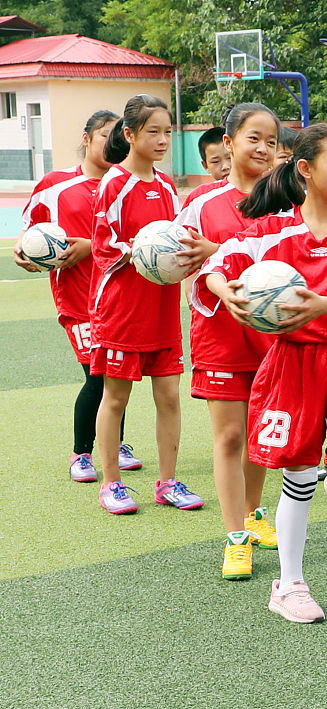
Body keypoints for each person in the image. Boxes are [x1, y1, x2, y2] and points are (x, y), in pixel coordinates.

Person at [196, 123, 327, 623]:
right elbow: (219, 263)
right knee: (297, 475)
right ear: (305, 170)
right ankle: (290, 585)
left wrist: (323, 304)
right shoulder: (271, 231)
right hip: (291, 365)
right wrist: (224, 290)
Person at [176, 103, 281, 580]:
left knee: (260, 438)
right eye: (252, 138)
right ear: (230, 141)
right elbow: (175, 258)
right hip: (219, 334)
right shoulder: (201, 203)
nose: (262, 149)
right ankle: (235, 537)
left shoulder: (286, 201)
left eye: (270, 141)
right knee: (231, 436)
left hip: (274, 338)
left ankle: (254, 514)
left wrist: (218, 251)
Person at [14, 110, 145, 482]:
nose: (112, 143)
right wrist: (23, 249)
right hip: (77, 299)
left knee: (117, 375)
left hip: (118, 297)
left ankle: (115, 444)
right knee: (97, 375)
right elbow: (29, 229)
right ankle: (81, 453)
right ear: (87, 138)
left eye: (118, 136)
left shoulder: (127, 185)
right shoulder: (55, 184)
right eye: (105, 135)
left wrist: (91, 246)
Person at [90, 94, 204, 515]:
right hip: (122, 309)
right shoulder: (113, 184)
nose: (162, 140)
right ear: (130, 134)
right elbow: (104, 246)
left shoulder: (165, 186)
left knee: (170, 395)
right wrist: (142, 248)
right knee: (116, 396)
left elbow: (176, 238)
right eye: (153, 131)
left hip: (161, 308)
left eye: (167, 132)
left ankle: (167, 481)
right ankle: (111, 484)